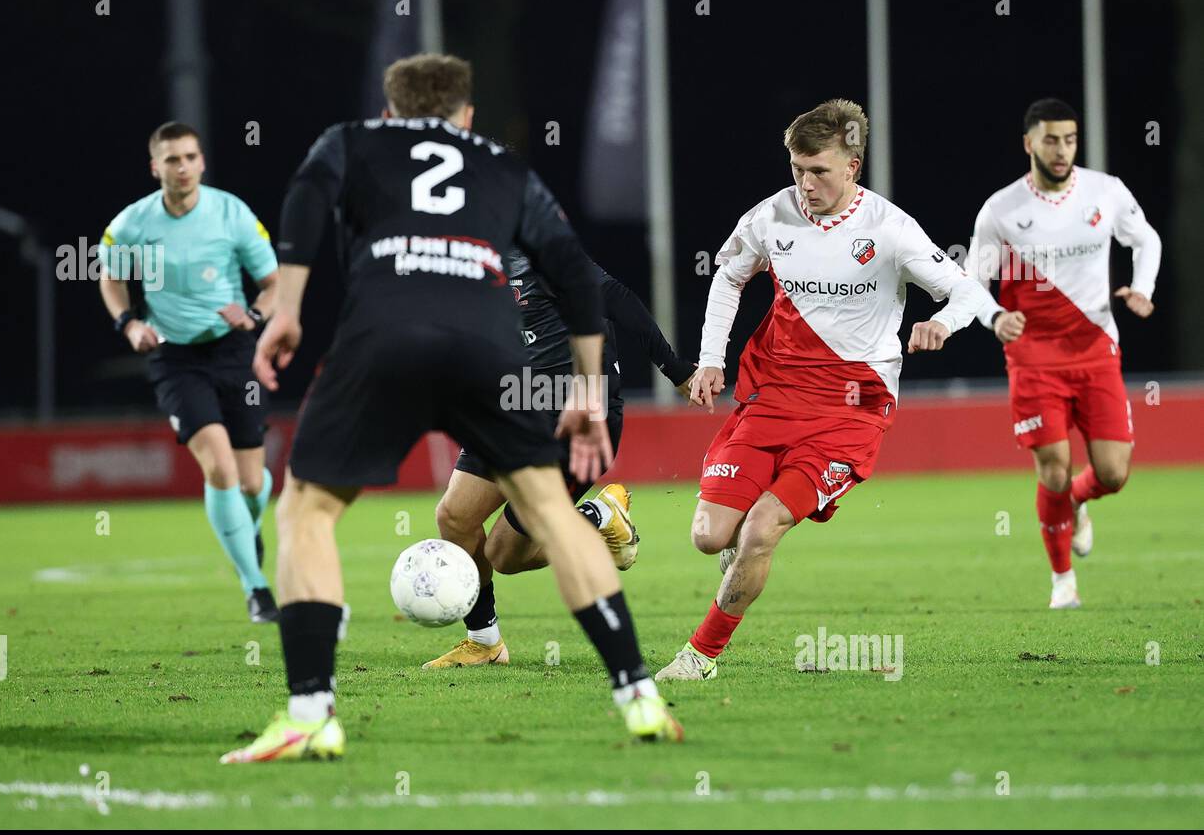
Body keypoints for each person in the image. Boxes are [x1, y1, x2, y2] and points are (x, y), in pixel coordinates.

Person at [221, 54, 681, 762]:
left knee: (306, 511)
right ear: (467, 116)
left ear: (391, 110)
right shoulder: (504, 167)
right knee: (494, 519)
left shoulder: (351, 140)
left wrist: (285, 311)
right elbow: (583, 285)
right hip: (488, 355)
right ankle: (636, 695)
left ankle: (311, 713)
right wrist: (591, 393)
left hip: (383, 337)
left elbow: (305, 202)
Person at [654, 98, 1025, 681]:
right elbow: (728, 277)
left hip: (851, 411)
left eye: (819, 170)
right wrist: (709, 360)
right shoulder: (770, 217)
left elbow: (970, 292)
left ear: (853, 165)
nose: (806, 183)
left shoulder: (890, 229)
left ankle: (701, 656)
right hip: (771, 397)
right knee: (708, 537)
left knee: (760, 530)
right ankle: (737, 540)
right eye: (798, 169)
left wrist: (942, 323)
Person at [425, 248, 695, 668]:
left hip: (575, 418)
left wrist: (677, 371)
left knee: (504, 556)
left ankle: (595, 518)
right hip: (509, 407)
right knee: (454, 517)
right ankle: (485, 643)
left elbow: (618, 299)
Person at [966, 98, 1161, 609]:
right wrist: (994, 317)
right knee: (1052, 466)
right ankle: (1062, 580)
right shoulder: (1001, 210)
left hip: (1096, 349)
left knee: (1114, 473)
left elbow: (1147, 240)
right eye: (1051, 139)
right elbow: (973, 279)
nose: (1062, 150)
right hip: (1032, 355)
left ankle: (1077, 500)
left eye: (1070, 139)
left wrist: (1143, 287)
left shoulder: (1106, 192)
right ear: (1029, 142)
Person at [98, 121, 280, 623]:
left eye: (191, 157)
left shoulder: (232, 212)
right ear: (155, 167)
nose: (183, 167)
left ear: (202, 162)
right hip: (175, 359)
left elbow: (272, 282)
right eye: (172, 159)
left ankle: (248, 530)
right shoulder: (132, 223)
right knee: (219, 468)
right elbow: (109, 276)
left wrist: (255, 317)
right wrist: (128, 323)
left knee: (250, 483)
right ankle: (257, 587)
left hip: (235, 352)